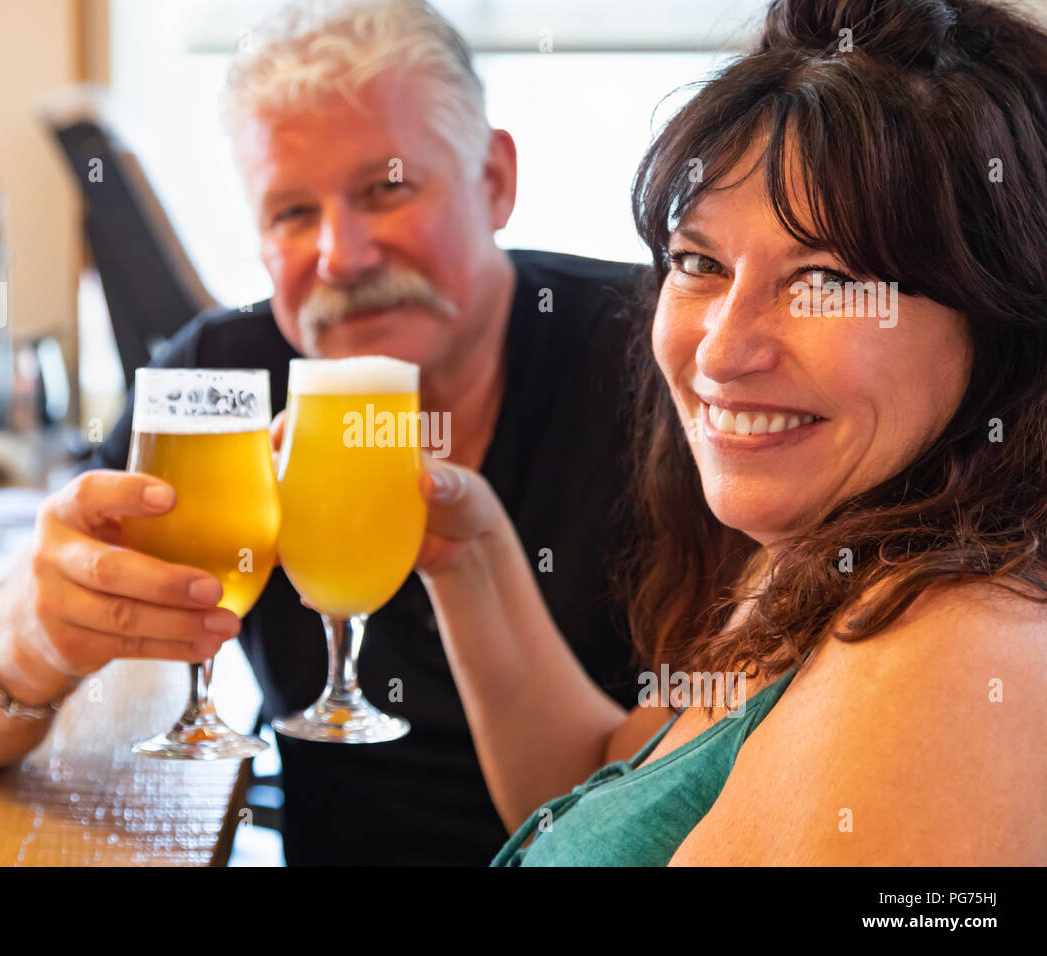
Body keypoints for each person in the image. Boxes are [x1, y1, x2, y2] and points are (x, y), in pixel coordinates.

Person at [0, 0, 652, 865]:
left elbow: (696, 801)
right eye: (293, 214)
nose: (342, 255)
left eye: (387, 188)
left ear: (494, 180)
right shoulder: (218, 384)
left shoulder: (661, 365)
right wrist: (30, 633)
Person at [416, 0, 1047, 864]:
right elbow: (623, 809)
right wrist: (472, 555)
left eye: (823, 277)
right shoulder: (830, 553)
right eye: (700, 264)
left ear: (1003, 320)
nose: (721, 348)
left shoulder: (950, 656)